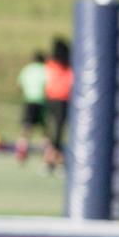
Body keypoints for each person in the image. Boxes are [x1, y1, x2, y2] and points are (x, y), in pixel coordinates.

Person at [42, 37, 72, 173]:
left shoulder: (51, 64)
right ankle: (56, 159)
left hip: (52, 99)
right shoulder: (68, 65)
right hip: (62, 100)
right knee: (58, 132)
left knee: (53, 131)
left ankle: (52, 159)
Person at [16, 50, 48, 165]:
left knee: (27, 128)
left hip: (29, 101)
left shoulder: (28, 69)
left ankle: (21, 151)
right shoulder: (45, 69)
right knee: (45, 130)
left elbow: (19, 85)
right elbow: (48, 85)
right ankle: (47, 154)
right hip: (42, 102)